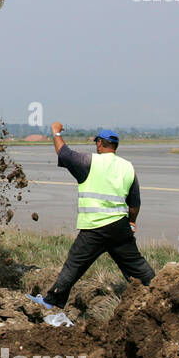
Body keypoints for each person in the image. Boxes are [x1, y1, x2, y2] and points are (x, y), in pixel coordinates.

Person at [42, 122, 155, 309]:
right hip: (119, 226)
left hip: (94, 227)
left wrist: (56, 133)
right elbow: (134, 204)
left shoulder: (89, 162)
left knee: (75, 264)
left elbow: (63, 153)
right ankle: (156, 292)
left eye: (97, 143)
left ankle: (52, 302)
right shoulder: (128, 168)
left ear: (100, 144)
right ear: (115, 147)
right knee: (135, 264)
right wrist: (132, 222)